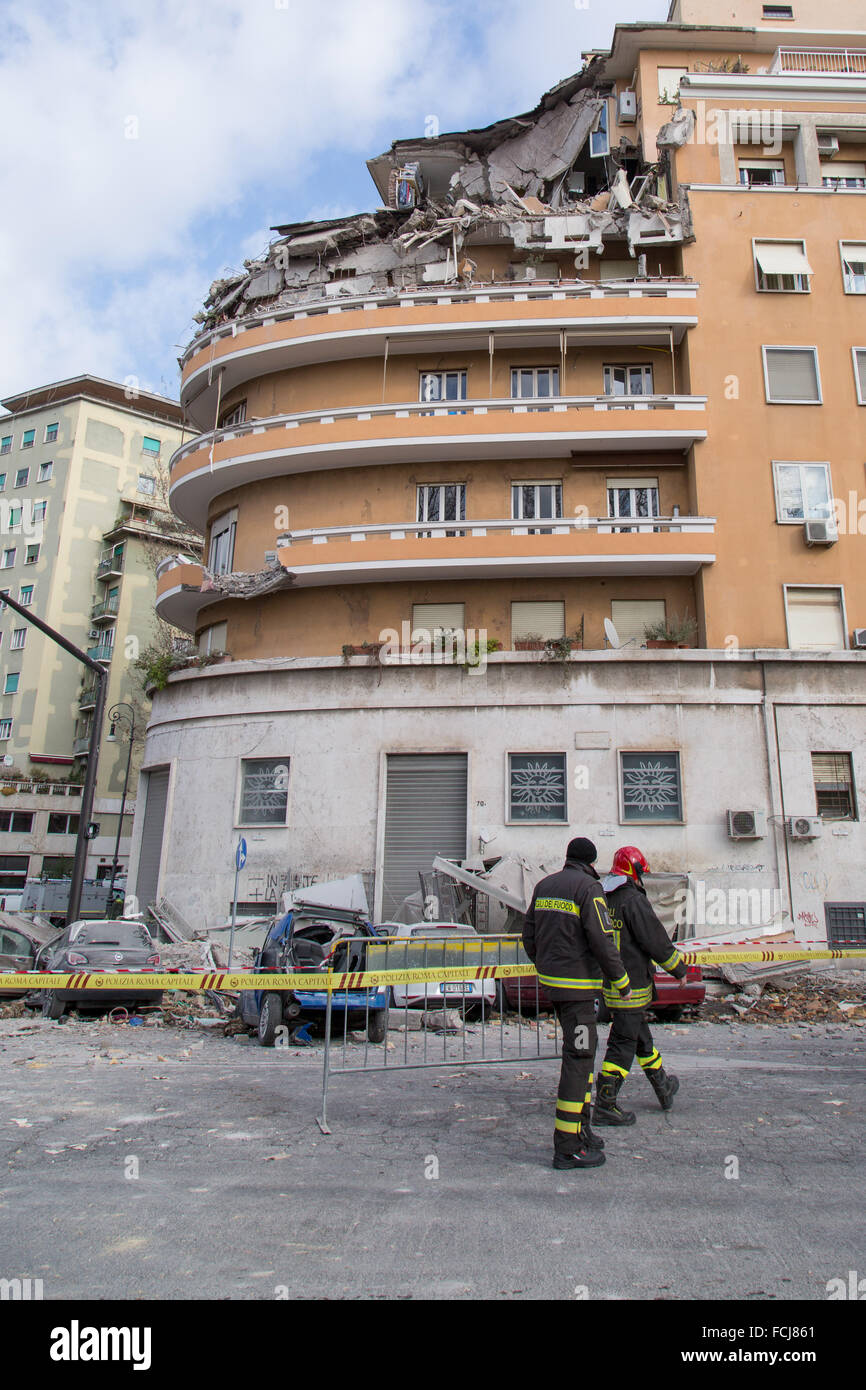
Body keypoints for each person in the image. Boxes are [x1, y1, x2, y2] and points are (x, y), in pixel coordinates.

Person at [522, 837, 631, 1170]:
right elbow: (601, 937)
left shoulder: (544, 885)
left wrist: (546, 966)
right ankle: (568, 1148)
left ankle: (582, 1130)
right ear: (592, 862)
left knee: (581, 1057)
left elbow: (528, 934)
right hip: (580, 992)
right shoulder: (589, 888)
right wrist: (621, 980)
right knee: (579, 1060)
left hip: (555, 988)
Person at [593, 846, 686, 1126]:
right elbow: (654, 938)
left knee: (641, 1038)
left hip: (613, 983)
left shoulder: (604, 898)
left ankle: (663, 1086)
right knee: (623, 1043)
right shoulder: (632, 900)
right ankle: (605, 1103)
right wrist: (678, 968)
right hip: (632, 986)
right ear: (634, 870)